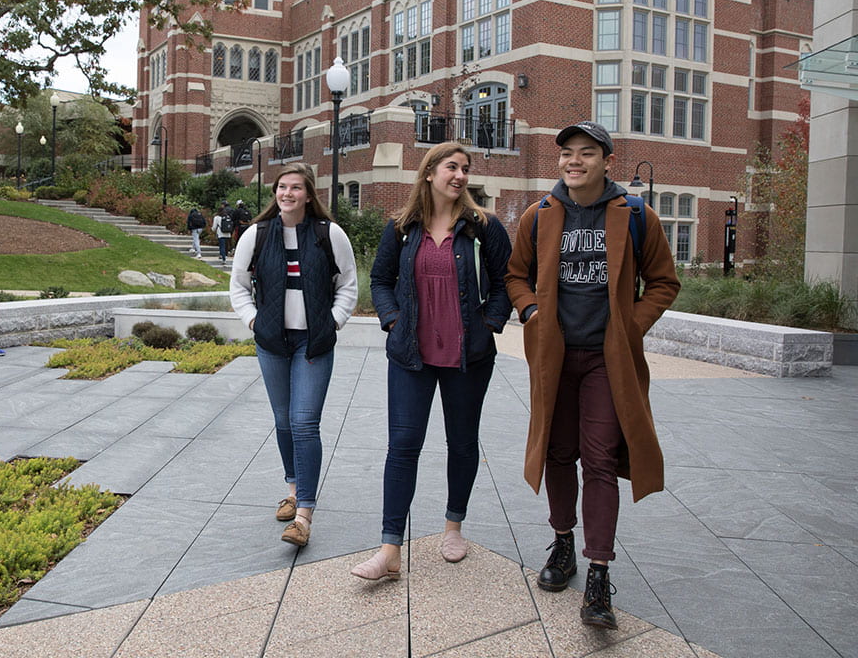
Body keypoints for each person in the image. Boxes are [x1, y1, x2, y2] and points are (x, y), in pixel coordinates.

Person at [505, 121, 679, 630]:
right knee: (558, 453)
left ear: (607, 161)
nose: (574, 161)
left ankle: (599, 572)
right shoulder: (539, 215)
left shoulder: (636, 215)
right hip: (555, 357)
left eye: (586, 153)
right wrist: (531, 311)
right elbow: (515, 275)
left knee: (600, 459)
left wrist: (630, 326)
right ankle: (563, 544)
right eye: (567, 153)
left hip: (608, 360)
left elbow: (664, 282)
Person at [350, 142, 511, 582]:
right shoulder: (402, 227)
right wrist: (393, 321)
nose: (459, 175)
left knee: (461, 442)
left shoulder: (484, 227)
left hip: (468, 356)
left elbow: (507, 281)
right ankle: (389, 549)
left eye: (465, 168)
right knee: (402, 445)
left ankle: (453, 527)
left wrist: (490, 325)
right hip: (411, 355)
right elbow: (381, 279)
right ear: (428, 173)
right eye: (451, 167)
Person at [230, 163, 358, 547]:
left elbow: (348, 284)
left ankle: (303, 514)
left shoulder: (328, 234)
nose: (287, 193)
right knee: (283, 421)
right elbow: (238, 286)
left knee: (304, 422)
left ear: (309, 194)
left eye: (296, 187)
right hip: (272, 343)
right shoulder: (257, 234)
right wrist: (254, 322)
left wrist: (332, 323)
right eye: (282, 187)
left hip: (312, 343)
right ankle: (292, 488)